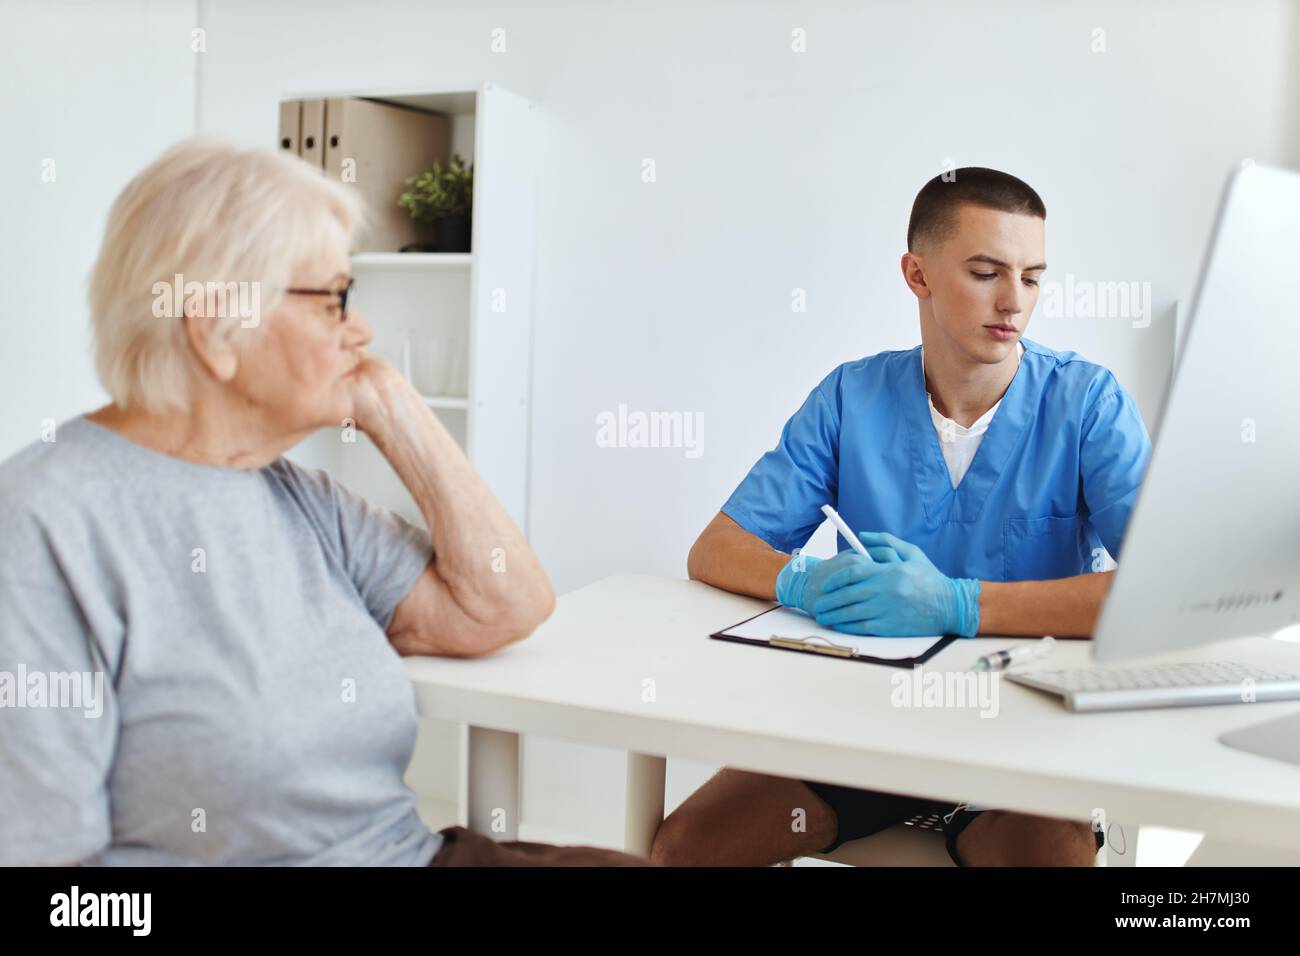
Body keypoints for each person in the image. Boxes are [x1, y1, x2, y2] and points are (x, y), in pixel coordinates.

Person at [0, 139, 645, 867]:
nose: (361, 331)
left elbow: (504, 604)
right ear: (216, 329)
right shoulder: (41, 523)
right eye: (337, 299)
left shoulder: (294, 495)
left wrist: (391, 405)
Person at [651, 168, 1151, 867]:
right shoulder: (852, 395)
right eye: (985, 272)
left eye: (1032, 277)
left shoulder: (1087, 404)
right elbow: (716, 549)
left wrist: (957, 604)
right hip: (863, 735)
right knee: (685, 848)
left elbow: (1154, 594)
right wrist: (805, 583)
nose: (1014, 301)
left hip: (1019, 745)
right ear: (917, 274)